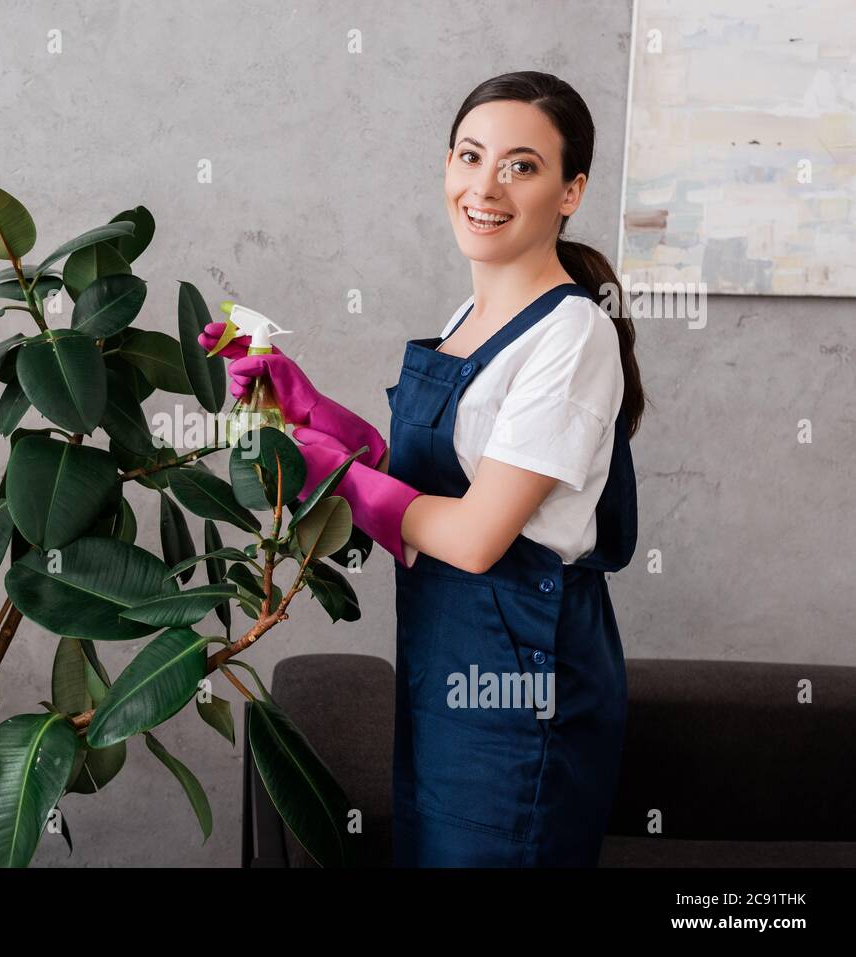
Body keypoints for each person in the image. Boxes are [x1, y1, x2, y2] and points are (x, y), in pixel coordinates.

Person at [199, 71, 645, 867]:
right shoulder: (468, 317)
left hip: (521, 687)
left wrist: (320, 473)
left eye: (522, 165)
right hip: (444, 674)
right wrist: (305, 409)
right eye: (470, 157)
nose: (485, 185)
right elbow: (413, 477)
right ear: (446, 167)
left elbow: (474, 536)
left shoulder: (574, 334)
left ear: (570, 190)